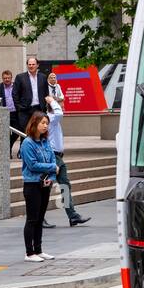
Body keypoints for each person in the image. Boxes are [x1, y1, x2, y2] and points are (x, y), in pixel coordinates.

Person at [43, 94, 90, 228]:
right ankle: (39, 217)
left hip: (58, 156)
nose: (63, 107)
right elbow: (59, 112)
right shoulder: (51, 118)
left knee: (65, 185)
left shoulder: (53, 119)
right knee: (47, 188)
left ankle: (73, 216)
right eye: (61, 105)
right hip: (52, 156)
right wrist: (52, 100)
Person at [18, 112, 57, 262]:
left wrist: (51, 178)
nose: (45, 126)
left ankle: (39, 250)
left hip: (45, 184)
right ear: (34, 124)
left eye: (47, 123)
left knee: (40, 218)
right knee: (32, 219)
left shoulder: (45, 142)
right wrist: (52, 167)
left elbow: (53, 159)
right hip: (32, 184)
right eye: (42, 123)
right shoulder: (27, 143)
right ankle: (29, 253)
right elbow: (33, 165)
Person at [12, 56, 49, 125]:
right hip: (25, 110)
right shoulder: (20, 77)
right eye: (29, 64)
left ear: (37, 65)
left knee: (39, 132)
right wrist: (19, 107)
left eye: (33, 64)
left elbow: (46, 92)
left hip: (39, 109)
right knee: (25, 132)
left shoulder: (43, 77)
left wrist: (45, 106)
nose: (31, 66)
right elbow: (15, 93)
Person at [0, 69, 19, 154]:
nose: (7, 80)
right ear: (2, 78)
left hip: (15, 112)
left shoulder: (17, 86)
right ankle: (8, 152)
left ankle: (8, 146)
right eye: (5, 78)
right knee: (5, 133)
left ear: (11, 78)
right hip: (5, 113)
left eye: (8, 78)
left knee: (17, 132)